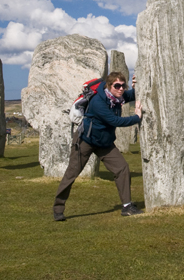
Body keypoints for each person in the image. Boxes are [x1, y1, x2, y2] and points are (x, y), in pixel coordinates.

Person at [53, 71, 143, 221]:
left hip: (104, 143)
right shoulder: (98, 102)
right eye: (117, 86)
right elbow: (115, 121)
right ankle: (58, 209)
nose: (121, 89)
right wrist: (136, 117)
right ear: (109, 85)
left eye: (123, 85)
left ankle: (127, 206)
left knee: (122, 168)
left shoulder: (116, 97)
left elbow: (131, 95)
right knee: (72, 173)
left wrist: (136, 87)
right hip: (86, 140)